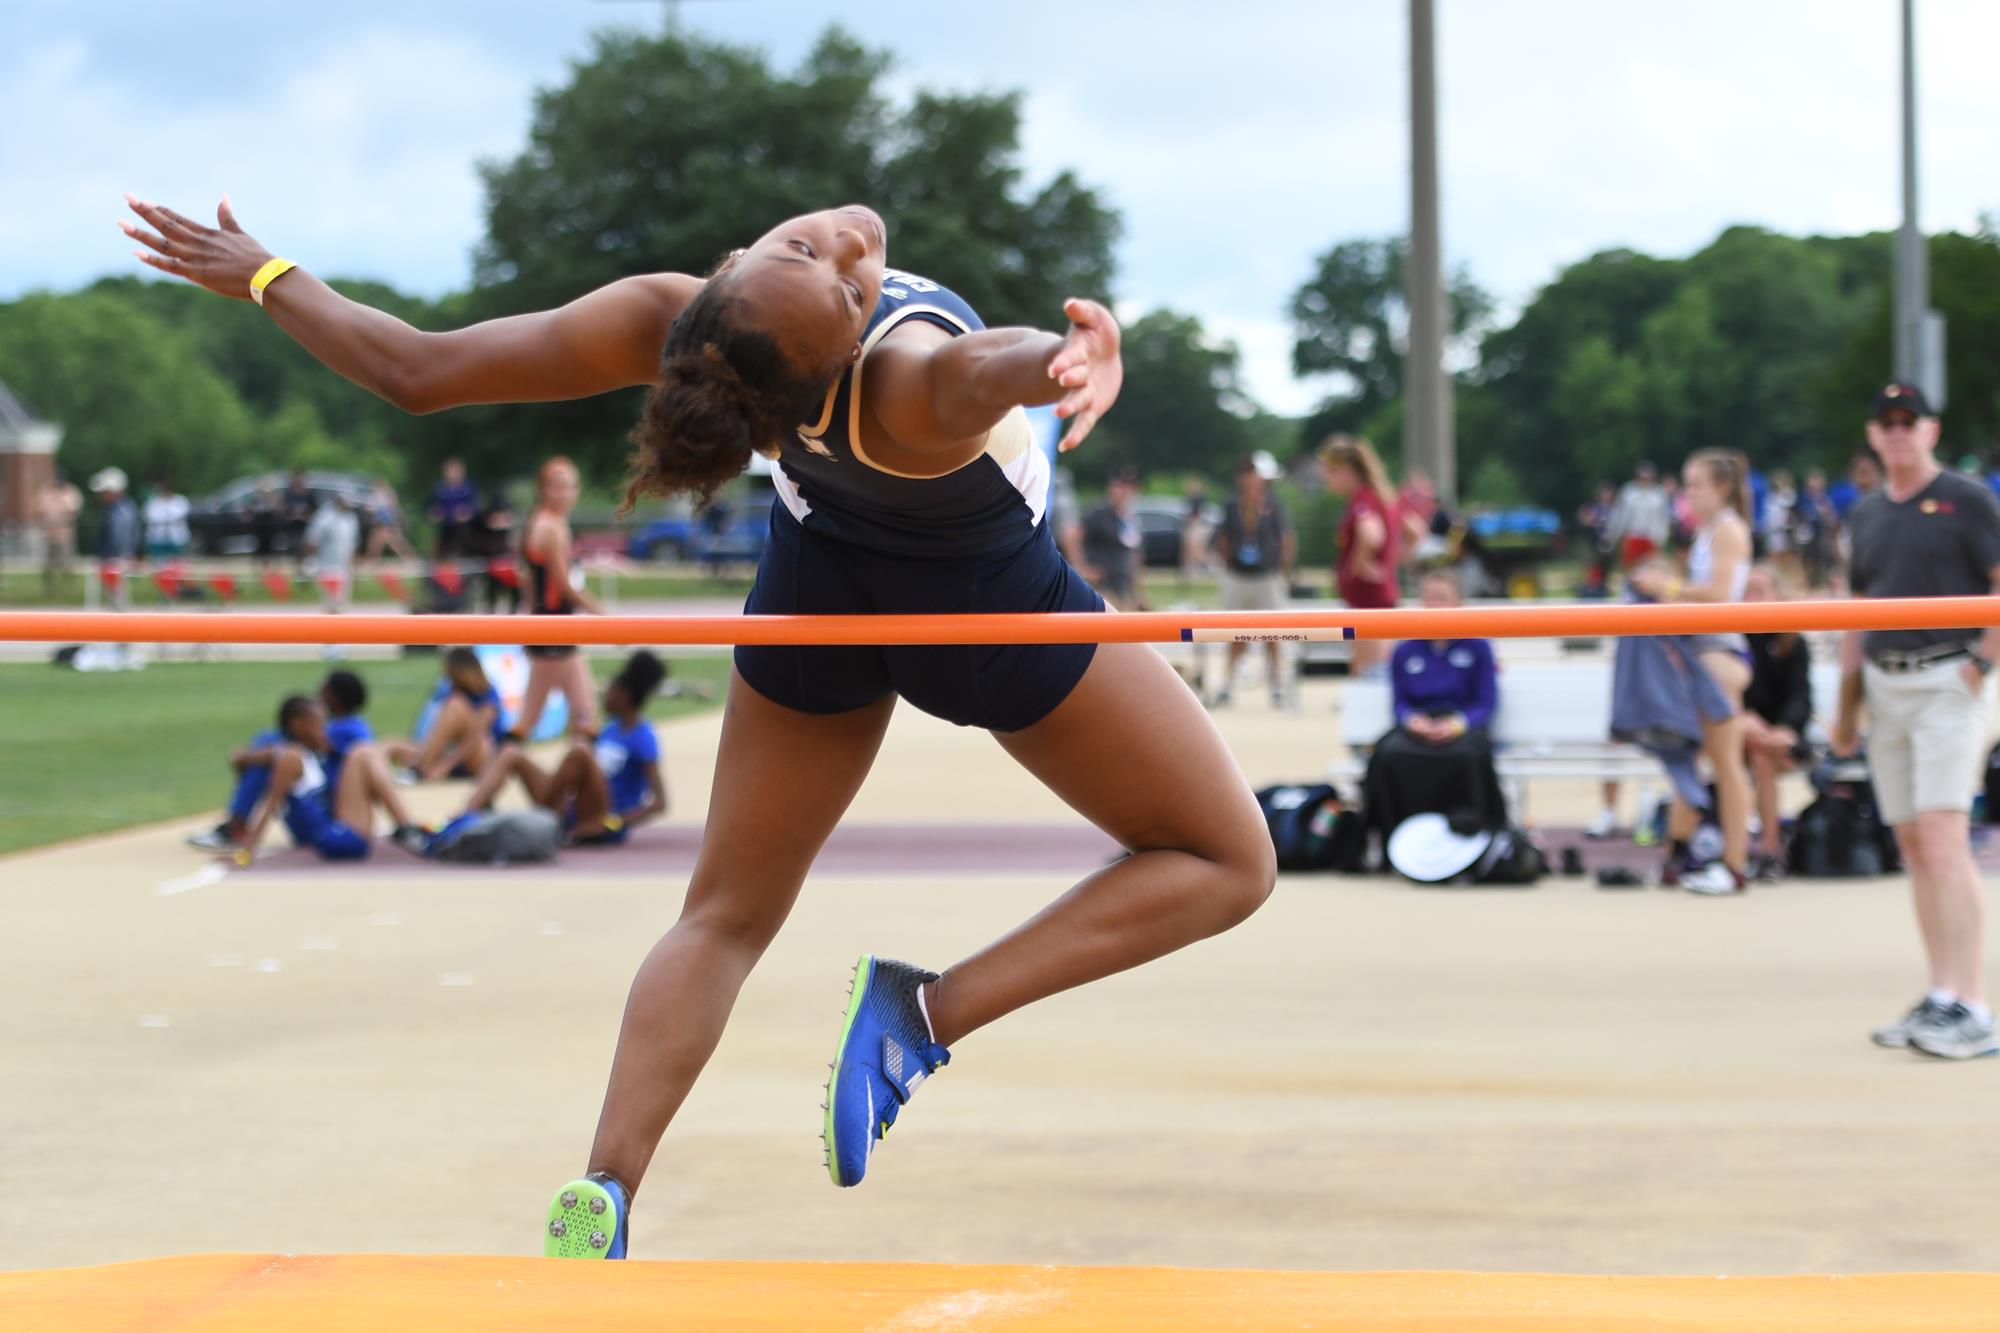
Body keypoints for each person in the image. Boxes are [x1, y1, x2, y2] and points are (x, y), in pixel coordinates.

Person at [126, 193, 1272, 1257]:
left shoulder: (679, 327)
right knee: (1226, 860)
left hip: (817, 599)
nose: (850, 243)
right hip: (981, 616)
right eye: (844, 284)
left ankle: (609, 1183)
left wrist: (267, 275)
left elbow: (416, 370)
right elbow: (982, 366)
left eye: (818, 254)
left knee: (722, 915)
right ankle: (916, 1017)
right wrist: (1067, 353)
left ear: (727, 270)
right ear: (843, 342)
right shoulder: (903, 382)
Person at [1834, 383, 2000, 1060]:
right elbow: (1856, 610)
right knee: (1912, 841)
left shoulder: (1966, 498)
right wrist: (1845, 707)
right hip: (1887, 683)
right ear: (1874, 435)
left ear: (1931, 429)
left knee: (1942, 833)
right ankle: (1941, 990)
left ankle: (1974, 1004)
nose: (1898, 432)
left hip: (1947, 677)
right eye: (1888, 422)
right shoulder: (1868, 513)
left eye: (1910, 421)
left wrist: (1981, 664)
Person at [1629, 450, 1755, 894]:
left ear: (1722, 488)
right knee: (1690, 756)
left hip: (1719, 654)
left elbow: (1719, 595)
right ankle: (1678, 853)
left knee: (1725, 763)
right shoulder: (1706, 532)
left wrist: (1666, 586)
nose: (1688, 495)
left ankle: (1735, 863)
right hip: (1703, 654)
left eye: (1695, 485)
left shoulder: (1728, 530)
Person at [456, 651, 669, 846]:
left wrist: (616, 822)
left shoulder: (643, 736)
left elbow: (660, 802)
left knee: (580, 751)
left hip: (602, 816)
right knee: (511, 753)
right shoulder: (610, 729)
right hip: (571, 806)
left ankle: (549, 815)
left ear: (626, 696)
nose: (605, 696)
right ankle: (461, 820)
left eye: (611, 691)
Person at [1362, 568, 1505, 838]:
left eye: (1441, 597)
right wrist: (1411, 720)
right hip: (1420, 725)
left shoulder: (1478, 646)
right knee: (1387, 755)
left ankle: (1470, 834)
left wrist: (1457, 724)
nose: (1434, 605)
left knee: (1469, 757)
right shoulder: (1405, 649)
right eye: (1428, 598)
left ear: (1458, 602)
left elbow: (1485, 703)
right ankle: (1394, 835)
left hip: (1461, 725)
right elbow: (1400, 702)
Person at [187, 670, 372, 851]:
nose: (317, 694)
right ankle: (237, 822)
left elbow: (306, 745)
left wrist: (246, 756)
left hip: (330, 809)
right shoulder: (346, 726)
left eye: (323, 690)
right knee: (269, 744)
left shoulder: (346, 729)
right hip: (324, 805)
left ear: (334, 696)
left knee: (269, 752)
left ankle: (237, 824)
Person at [233, 696, 431, 863]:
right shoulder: (291, 759)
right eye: (318, 724)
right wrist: (249, 850)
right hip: (333, 839)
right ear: (297, 725)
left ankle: (407, 828)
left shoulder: (313, 755)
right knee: (362, 753)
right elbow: (271, 803)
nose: (324, 731)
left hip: (333, 831)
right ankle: (407, 829)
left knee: (376, 750)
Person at [508, 457, 605, 743]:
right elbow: (563, 584)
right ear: (543, 489)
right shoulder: (550, 527)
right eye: (557, 486)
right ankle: (497, 763)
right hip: (553, 626)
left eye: (570, 486)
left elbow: (528, 580)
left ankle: (581, 767)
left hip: (553, 625)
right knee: (537, 718)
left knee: (583, 713)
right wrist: (604, 617)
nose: (565, 493)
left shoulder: (544, 522)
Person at [1739, 565, 1811, 880]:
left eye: (1759, 590)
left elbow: (1800, 696)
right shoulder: (1734, 637)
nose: (1751, 598)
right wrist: (1745, 718)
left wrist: (1785, 729)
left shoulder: (1792, 642)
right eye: (1747, 591)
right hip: (1739, 734)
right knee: (1759, 755)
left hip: (1776, 738)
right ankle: (1766, 849)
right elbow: (1728, 694)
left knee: (1763, 756)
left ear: (1778, 596)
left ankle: (1766, 849)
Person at [1209, 454, 1295, 706]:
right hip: (1238, 575)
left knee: (1274, 633)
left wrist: (1284, 572)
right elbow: (1221, 538)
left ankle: (1277, 683)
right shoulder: (1231, 505)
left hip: (1267, 576)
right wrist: (1227, 564)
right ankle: (1227, 683)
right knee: (1235, 634)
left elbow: (1286, 539)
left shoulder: (1273, 504)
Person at [1317, 434, 1399, 678]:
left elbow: (1372, 534)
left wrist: (1358, 565)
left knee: (1370, 673)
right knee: (1366, 670)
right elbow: (1413, 529)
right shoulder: (1375, 497)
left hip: (1370, 601)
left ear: (1346, 470)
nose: (1328, 482)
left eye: (1330, 474)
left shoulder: (1363, 500)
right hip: (1370, 599)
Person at [385, 648, 505, 785]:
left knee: (456, 706)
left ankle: (420, 768)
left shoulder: (487, 694)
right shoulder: (455, 691)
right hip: (453, 753)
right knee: (393, 744)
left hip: (481, 758)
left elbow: (475, 739)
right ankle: (420, 766)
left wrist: (445, 766)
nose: (447, 675)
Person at [1076, 466, 1143, 610]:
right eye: (1119, 486)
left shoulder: (1131, 518)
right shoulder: (1099, 513)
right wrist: (1082, 567)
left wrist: (1137, 588)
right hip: (1103, 585)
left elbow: (1134, 553)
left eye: (1128, 487)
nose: (1124, 491)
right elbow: (1071, 534)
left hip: (1124, 585)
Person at [303, 492, 360, 652]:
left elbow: (351, 547)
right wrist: (311, 562)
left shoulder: (351, 519)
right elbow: (312, 541)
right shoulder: (324, 517)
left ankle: (339, 641)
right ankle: (330, 643)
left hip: (344, 569)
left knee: (341, 606)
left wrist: (353, 569)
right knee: (330, 606)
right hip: (327, 568)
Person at [1606, 461, 1672, 574]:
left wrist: (1662, 537)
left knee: (1651, 569)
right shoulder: (1628, 492)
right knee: (1631, 569)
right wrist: (1614, 535)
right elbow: (1619, 515)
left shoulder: (1659, 494)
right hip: (1632, 535)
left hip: (1651, 537)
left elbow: (1664, 518)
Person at [89, 467, 139, 610]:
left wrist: (120, 556)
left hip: (117, 559)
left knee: (119, 598)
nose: (102, 496)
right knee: (113, 597)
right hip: (111, 558)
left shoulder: (122, 510)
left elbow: (123, 536)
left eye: (105, 492)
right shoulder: (116, 508)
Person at [36, 470, 81, 597]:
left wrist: (64, 519)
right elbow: (40, 511)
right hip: (49, 534)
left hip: (66, 534)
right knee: (47, 564)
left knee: (68, 562)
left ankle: (68, 588)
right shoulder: (46, 492)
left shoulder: (71, 492)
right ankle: (48, 589)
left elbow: (74, 512)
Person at [428, 458, 478, 560]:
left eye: (455, 471)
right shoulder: (440, 489)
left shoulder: (468, 488)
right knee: (439, 547)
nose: (452, 474)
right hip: (446, 525)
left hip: (464, 527)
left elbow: (474, 507)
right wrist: (435, 512)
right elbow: (432, 507)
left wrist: (466, 512)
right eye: (449, 471)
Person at [361, 476, 417, 563]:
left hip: (386, 524)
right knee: (380, 543)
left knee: (388, 543)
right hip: (383, 523)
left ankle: (410, 559)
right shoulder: (384, 495)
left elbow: (372, 509)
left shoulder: (384, 495)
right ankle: (410, 559)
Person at [142, 477, 190, 562]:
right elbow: (150, 517)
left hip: (177, 539)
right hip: (157, 539)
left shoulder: (180, 500)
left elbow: (179, 515)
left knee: (177, 562)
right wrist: (166, 517)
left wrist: (164, 516)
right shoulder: (152, 502)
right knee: (158, 563)